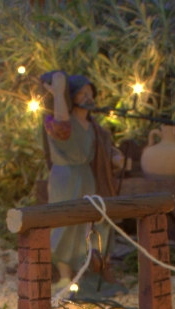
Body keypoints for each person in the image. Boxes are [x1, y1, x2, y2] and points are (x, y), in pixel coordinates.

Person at [41, 71, 124, 287]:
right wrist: (59, 93)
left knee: (94, 223)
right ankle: (65, 277)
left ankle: (89, 271)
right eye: (82, 94)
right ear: (71, 97)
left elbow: (104, 149)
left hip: (89, 178)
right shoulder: (57, 121)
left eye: (90, 94)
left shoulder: (96, 128)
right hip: (66, 178)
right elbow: (62, 127)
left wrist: (114, 157)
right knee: (66, 225)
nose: (89, 98)